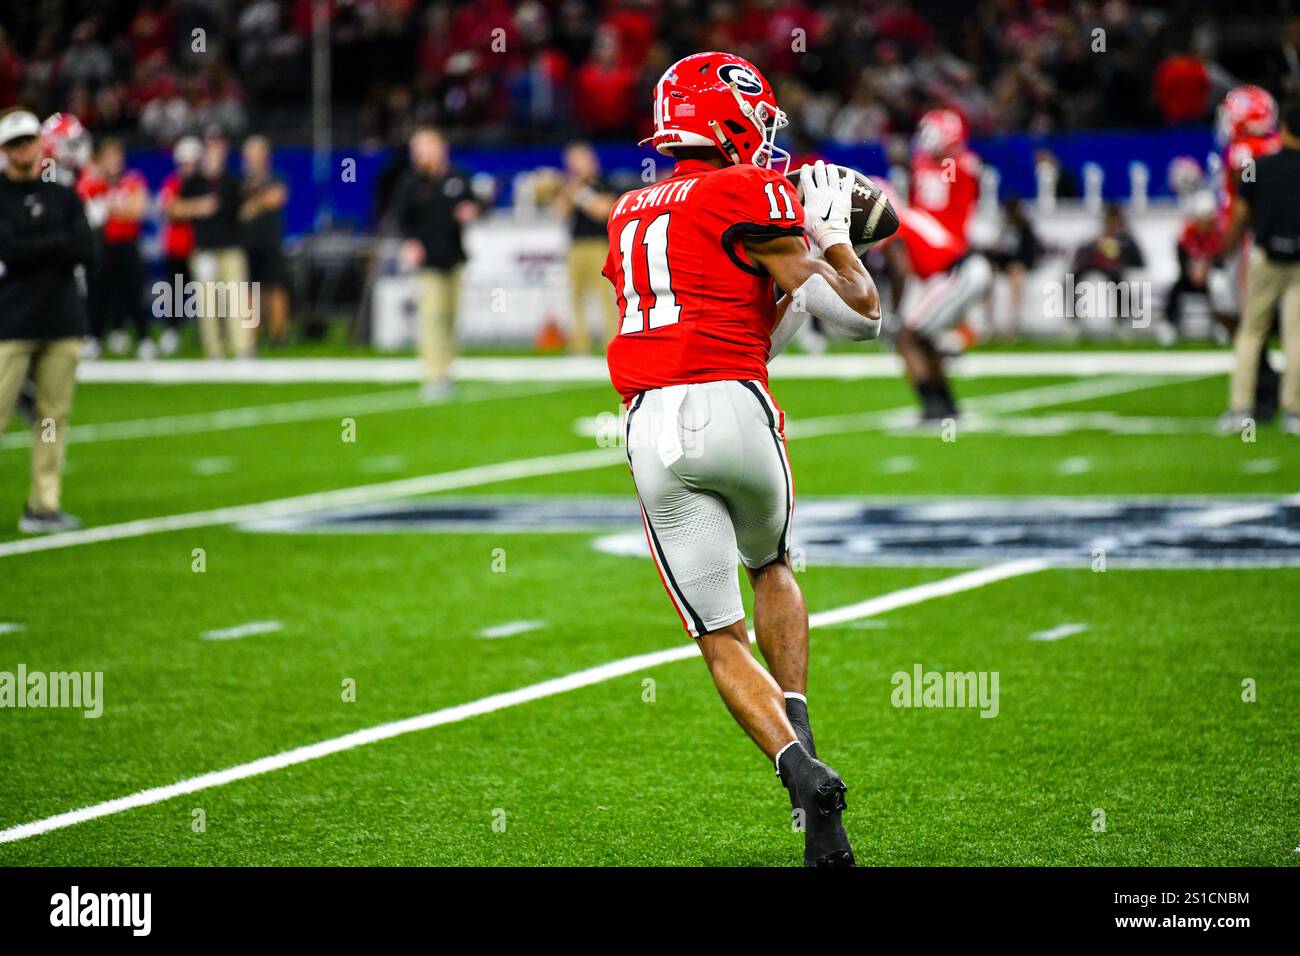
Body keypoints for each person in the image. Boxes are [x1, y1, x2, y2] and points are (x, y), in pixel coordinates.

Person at [604, 52, 881, 866]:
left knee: (720, 638)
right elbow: (856, 314)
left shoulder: (627, 209)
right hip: (736, 406)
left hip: (651, 422)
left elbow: (721, 307)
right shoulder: (745, 187)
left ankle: (797, 769)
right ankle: (807, 740)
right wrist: (834, 238)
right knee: (772, 565)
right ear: (728, 116)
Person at [0, 108, 95, 533]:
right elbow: (11, 250)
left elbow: (86, 250)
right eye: (15, 143)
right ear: (4, 150)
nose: (24, 149)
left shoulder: (64, 194)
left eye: (28, 140)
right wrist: (54, 245)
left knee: (53, 419)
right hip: (11, 321)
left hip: (61, 319)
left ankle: (44, 504)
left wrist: (31, 247)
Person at [882, 108, 991, 419]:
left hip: (956, 270)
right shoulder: (952, 167)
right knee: (922, 335)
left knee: (906, 336)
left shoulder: (901, 218)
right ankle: (946, 407)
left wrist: (894, 315)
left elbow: (901, 271)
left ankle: (933, 408)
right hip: (958, 268)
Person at [1220, 98, 1300, 435]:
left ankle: (1241, 408)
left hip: (1265, 258)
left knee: (1251, 333)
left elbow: (1241, 214)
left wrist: (1224, 250)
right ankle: (1294, 412)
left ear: (1284, 129)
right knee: (1296, 336)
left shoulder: (1259, 166)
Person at [1210, 85, 1284, 422]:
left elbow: (1245, 205)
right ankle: (1272, 390)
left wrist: (1225, 247)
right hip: (1278, 242)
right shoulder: (1277, 145)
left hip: (1251, 245)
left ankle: (1260, 392)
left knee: (1247, 321)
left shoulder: (1244, 152)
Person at [391, 126, 481, 399]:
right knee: (432, 317)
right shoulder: (411, 182)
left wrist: (473, 210)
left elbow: (477, 204)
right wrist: (410, 242)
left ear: (440, 147)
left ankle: (446, 369)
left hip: (453, 257)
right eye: (416, 148)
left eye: (424, 146)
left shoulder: (457, 178)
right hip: (427, 261)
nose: (419, 153)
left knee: (450, 318)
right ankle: (434, 374)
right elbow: (400, 218)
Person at [175, 132, 251, 359]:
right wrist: (198, 206)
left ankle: (242, 348)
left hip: (230, 248)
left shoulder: (233, 181)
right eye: (211, 148)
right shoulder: (194, 182)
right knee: (208, 302)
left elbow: (245, 209)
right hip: (204, 250)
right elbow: (173, 209)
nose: (215, 153)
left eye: (219, 148)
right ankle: (214, 350)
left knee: (236, 299)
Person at [76, 138, 150, 357]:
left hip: (127, 244)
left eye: (117, 156)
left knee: (134, 292)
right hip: (102, 245)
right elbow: (83, 210)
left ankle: (144, 338)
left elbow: (138, 210)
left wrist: (109, 206)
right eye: (108, 156)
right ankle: (95, 338)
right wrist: (116, 205)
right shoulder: (92, 182)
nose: (114, 161)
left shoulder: (132, 180)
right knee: (97, 294)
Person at [552, 141, 617, 353]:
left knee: (606, 296)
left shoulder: (603, 182)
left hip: (599, 246)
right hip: (576, 246)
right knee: (576, 297)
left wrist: (581, 195)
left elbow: (603, 211)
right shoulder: (570, 186)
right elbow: (560, 213)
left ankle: (612, 341)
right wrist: (570, 191)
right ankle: (579, 343)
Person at [239, 135, 290, 346]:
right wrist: (259, 202)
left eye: (257, 153)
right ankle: (253, 336)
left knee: (274, 288)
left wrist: (253, 204)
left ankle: (279, 335)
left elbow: (277, 198)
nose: (253, 158)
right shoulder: (241, 181)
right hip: (247, 242)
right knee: (249, 290)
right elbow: (238, 209)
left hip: (270, 242)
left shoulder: (275, 176)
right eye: (250, 154)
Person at [156, 135, 202, 356]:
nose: (188, 168)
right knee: (174, 293)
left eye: (192, 163)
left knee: (203, 295)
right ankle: (172, 331)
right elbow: (171, 209)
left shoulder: (203, 184)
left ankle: (203, 334)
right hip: (176, 247)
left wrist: (185, 207)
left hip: (199, 248)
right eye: (185, 163)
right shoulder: (172, 183)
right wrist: (199, 207)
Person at [1158, 190, 1222, 345]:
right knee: (1176, 287)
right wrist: (1192, 272)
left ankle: (1220, 325)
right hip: (1190, 276)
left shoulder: (1217, 234)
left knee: (1219, 287)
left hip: (1209, 277)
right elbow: (1182, 258)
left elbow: (1219, 259)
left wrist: (1206, 271)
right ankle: (1170, 323)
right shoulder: (1187, 233)